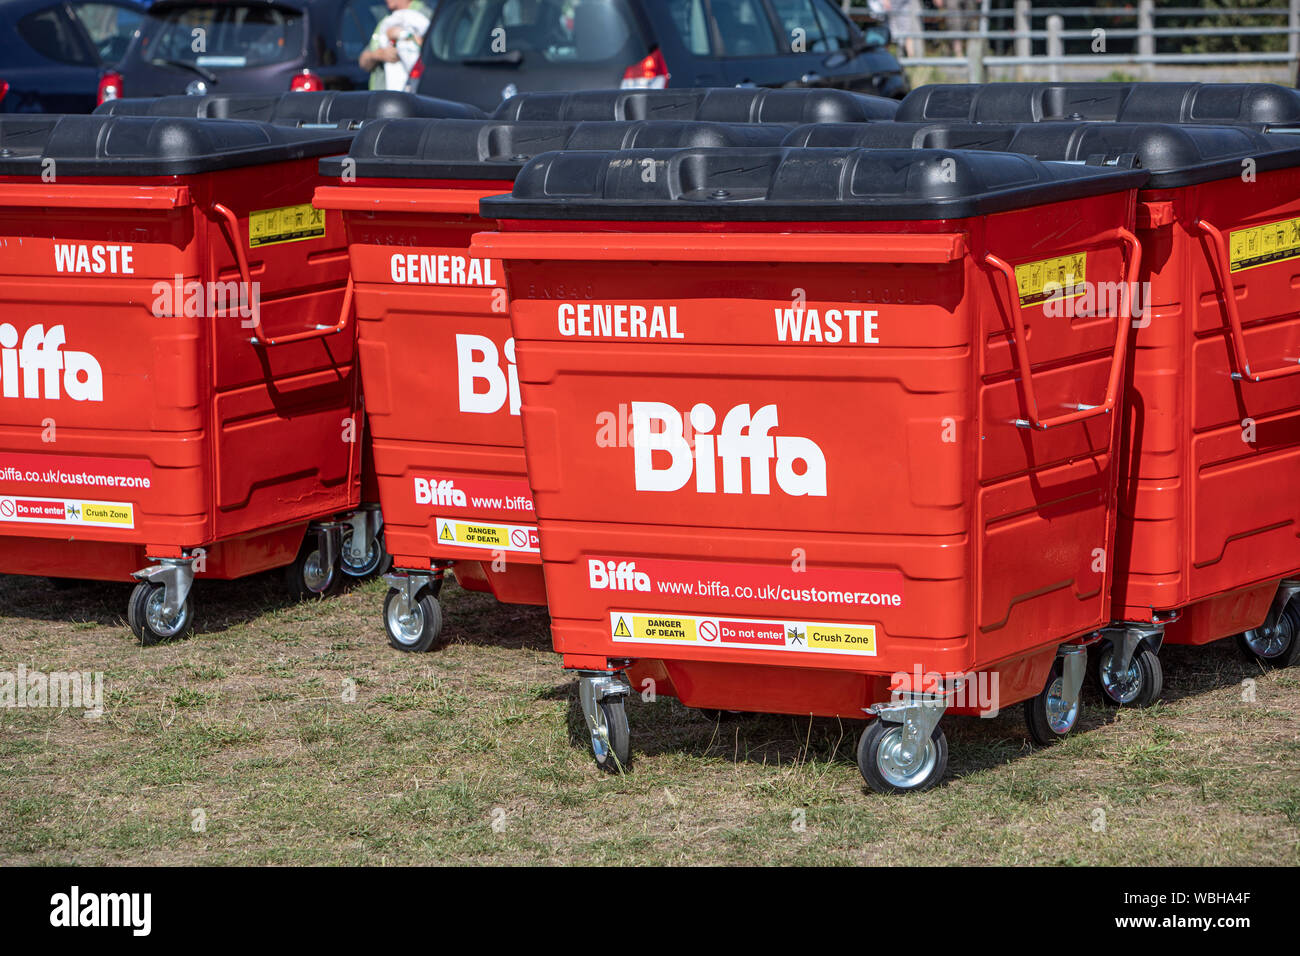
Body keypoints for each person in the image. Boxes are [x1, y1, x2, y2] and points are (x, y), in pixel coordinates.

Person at [359, 0, 434, 91]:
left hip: (414, 96)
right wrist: (378, 54)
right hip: (383, 98)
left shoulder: (427, 16)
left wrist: (403, 35)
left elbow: (435, 53)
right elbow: (363, 62)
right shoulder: (387, 21)